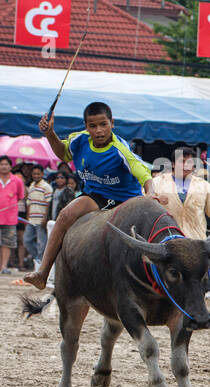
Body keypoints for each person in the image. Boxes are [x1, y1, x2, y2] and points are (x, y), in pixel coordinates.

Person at [19, 103, 153, 289]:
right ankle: (42, 273)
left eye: (103, 124)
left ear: (112, 123)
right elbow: (64, 154)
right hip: (96, 195)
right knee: (65, 215)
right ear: (86, 126)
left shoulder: (120, 150)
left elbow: (145, 175)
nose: (99, 130)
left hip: (125, 201)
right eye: (93, 126)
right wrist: (50, 133)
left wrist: (152, 193)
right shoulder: (79, 140)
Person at [22, 163, 51, 268]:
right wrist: (27, 219)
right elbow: (29, 203)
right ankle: (38, 260)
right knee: (27, 241)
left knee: (42, 243)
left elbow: (48, 204)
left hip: (41, 219)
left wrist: (45, 218)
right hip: (31, 220)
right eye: (34, 174)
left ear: (42, 174)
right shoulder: (32, 186)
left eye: (38, 174)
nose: (36, 176)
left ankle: (40, 264)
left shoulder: (46, 187)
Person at [0, 156, 24, 274]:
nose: (4, 166)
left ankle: (3, 266)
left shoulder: (17, 180)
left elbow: (20, 196)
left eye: (6, 164)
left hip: (10, 218)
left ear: (10, 166)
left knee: (7, 242)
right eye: (1, 164)